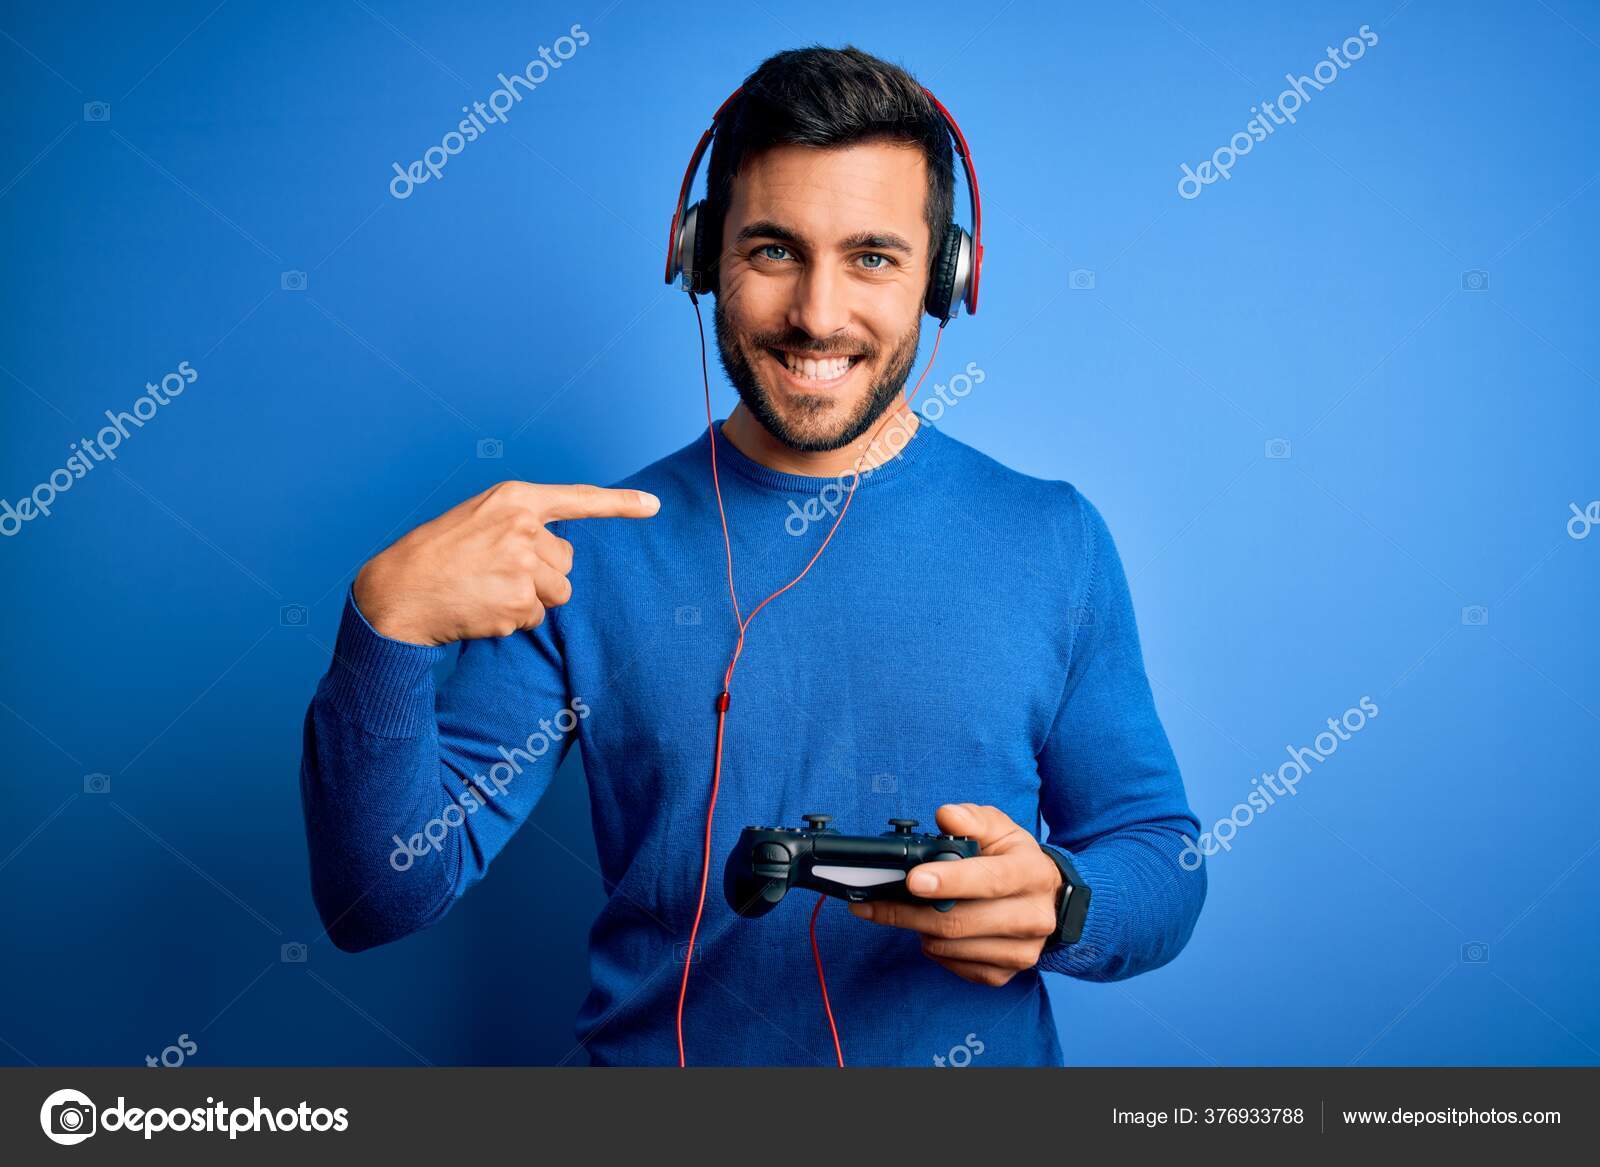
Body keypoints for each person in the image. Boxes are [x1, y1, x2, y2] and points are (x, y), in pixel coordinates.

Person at [299, 45, 1205, 1066]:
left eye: (872, 257)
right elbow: (377, 897)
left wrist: (1065, 903)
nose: (818, 315)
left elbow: (1160, 859)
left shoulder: (1053, 540)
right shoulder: (584, 553)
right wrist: (383, 634)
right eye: (773, 250)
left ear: (946, 279)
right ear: (698, 256)